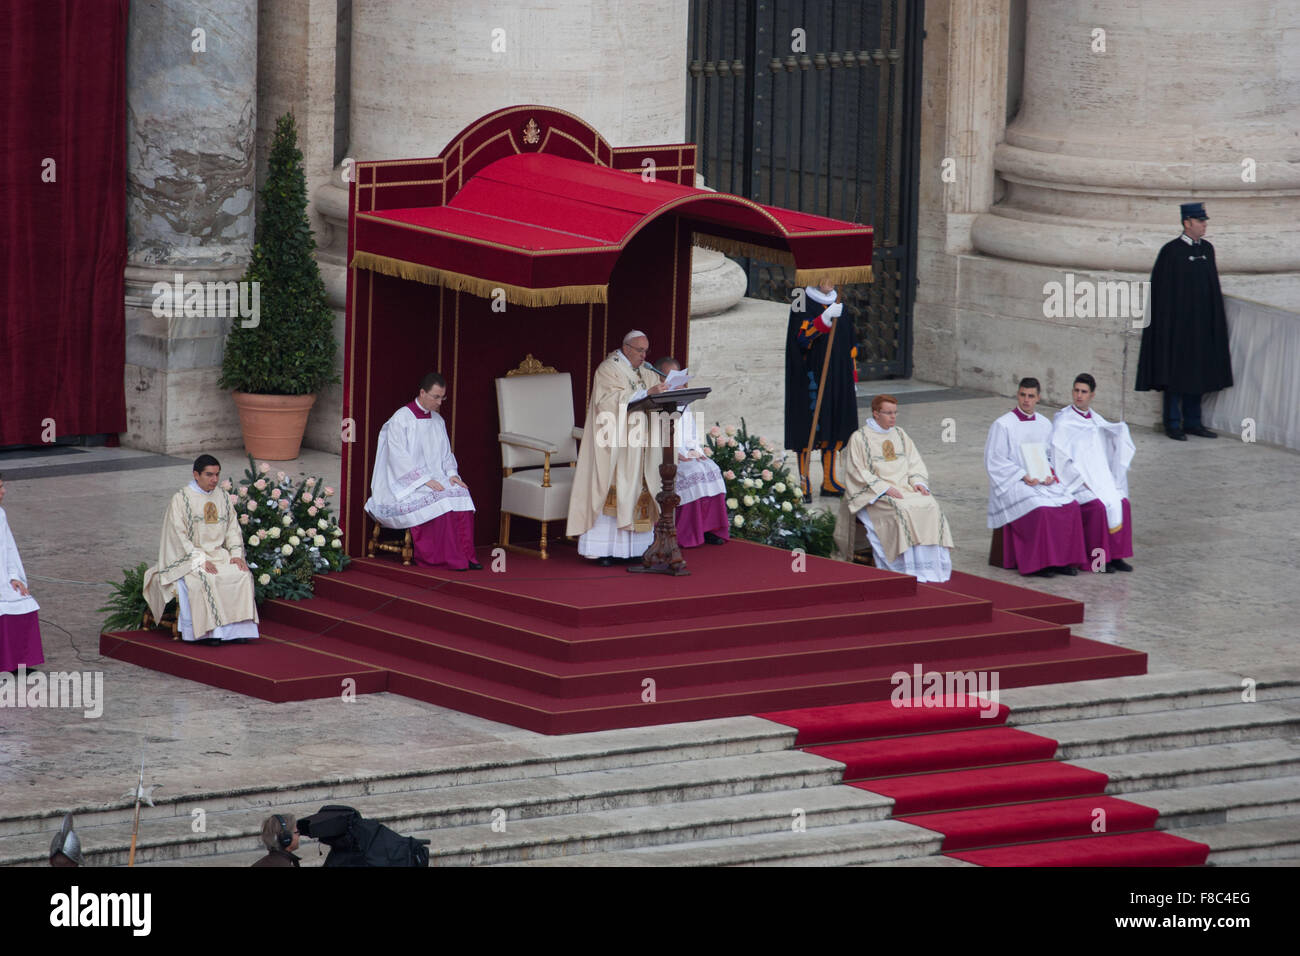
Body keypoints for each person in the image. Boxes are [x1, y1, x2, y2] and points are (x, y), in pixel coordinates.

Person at [567, 331, 671, 567]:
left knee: (638, 489)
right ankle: (603, 550)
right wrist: (646, 393)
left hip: (640, 444)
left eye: (646, 351)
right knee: (615, 489)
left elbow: (657, 391)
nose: (644, 356)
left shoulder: (646, 369)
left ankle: (636, 549)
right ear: (626, 349)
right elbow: (607, 402)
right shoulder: (609, 368)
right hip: (617, 444)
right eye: (640, 351)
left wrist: (669, 390)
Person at [1136, 201, 1233, 440]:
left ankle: (1193, 422)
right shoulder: (1171, 252)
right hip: (1178, 330)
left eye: (1204, 221)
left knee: (1197, 375)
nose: (1204, 225)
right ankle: (1173, 423)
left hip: (1200, 328)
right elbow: (1162, 294)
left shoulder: (1207, 250)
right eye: (1200, 221)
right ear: (1187, 222)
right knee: (1175, 377)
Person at [365, 373, 481, 571]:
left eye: (442, 398)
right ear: (422, 392)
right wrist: (424, 481)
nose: (439, 402)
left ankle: (466, 556)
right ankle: (448, 558)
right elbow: (397, 459)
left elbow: (446, 453)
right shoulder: (401, 419)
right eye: (435, 397)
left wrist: (452, 474)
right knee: (442, 498)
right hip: (405, 484)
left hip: (434, 477)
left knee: (461, 493)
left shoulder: (438, 420)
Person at [143, 456, 259, 645]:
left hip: (219, 554)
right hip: (191, 557)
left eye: (217, 474)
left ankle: (236, 631)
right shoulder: (181, 499)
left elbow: (232, 529)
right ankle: (208, 633)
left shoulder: (222, 496)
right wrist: (198, 559)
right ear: (196, 475)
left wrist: (236, 555)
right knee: (207, 578)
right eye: (209, 475)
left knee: (242, 574)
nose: (214, 479)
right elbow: (177, 536)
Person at [839, 394, 954, 582]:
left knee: (931, 505)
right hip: (876, 494)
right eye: (888, 413)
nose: (893, 417)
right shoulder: (860, 438)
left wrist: (918, 482)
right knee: (902, 509)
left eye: (895, 413)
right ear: (876, 413)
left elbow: (914, 462)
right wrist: (883, 488)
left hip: (905, 488)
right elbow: (856, 471)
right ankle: (906, 566)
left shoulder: (900, 434)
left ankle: (931, 567)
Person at [984, 379, 1087, 577]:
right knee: (1041, 509)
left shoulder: (1044, 424)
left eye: (1031, 396)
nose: (1026, 400)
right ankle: (1040, 564)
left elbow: (1049, 455)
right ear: (1017, 395)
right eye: (1023, 395)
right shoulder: (1003, 424)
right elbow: (994, 460)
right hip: (1013, 481)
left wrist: (1050, 474)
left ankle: (1062, 561)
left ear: (1038, 398)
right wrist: (1023, 475)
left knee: (1071, 505)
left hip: (1042, 480)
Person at [1051, 374, 1135, 573]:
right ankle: (1098, 562)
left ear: (1092, 395)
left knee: (1122, 503)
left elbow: (1107, 443)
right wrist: (1082, 481)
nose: (1079, 396)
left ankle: (1115, 557)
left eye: (1084, 392)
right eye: (1076, 391)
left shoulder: (1096, 420)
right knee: (1097, 508)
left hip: (1098, 478)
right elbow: (1060, 459)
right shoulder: (1064, 422)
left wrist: (1120, 433)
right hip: (1076, 482)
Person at [784, 281, 860, 501]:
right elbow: (800, 338)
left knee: (835, 424)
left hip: (838, 376)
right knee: (807, 428)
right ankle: (804, 480)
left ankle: (829, 480)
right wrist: (823, 320)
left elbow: (851, 345)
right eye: (824, 276)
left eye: (833, 276)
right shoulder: (801, 299)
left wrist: (852, 377)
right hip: (810, 376)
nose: (829, 281)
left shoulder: (839, 302)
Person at [655, 357, 727, 547]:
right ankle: (688, 533)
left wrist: (695, 450)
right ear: (661, 379)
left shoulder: (683, 402)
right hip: (667, 455)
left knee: (712, 468)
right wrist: (676, 453)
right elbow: (656, 434)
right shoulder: (654, 402)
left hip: (687, 453)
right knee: (692, 473)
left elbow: (691, 433)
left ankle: (710, 529)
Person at [0, 474, 44, 672]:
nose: (3, 491)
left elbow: (8, 548)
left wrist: (14, 577)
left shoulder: (0, 514)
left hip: (2, 576)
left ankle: (17, 663)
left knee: (23, 602)